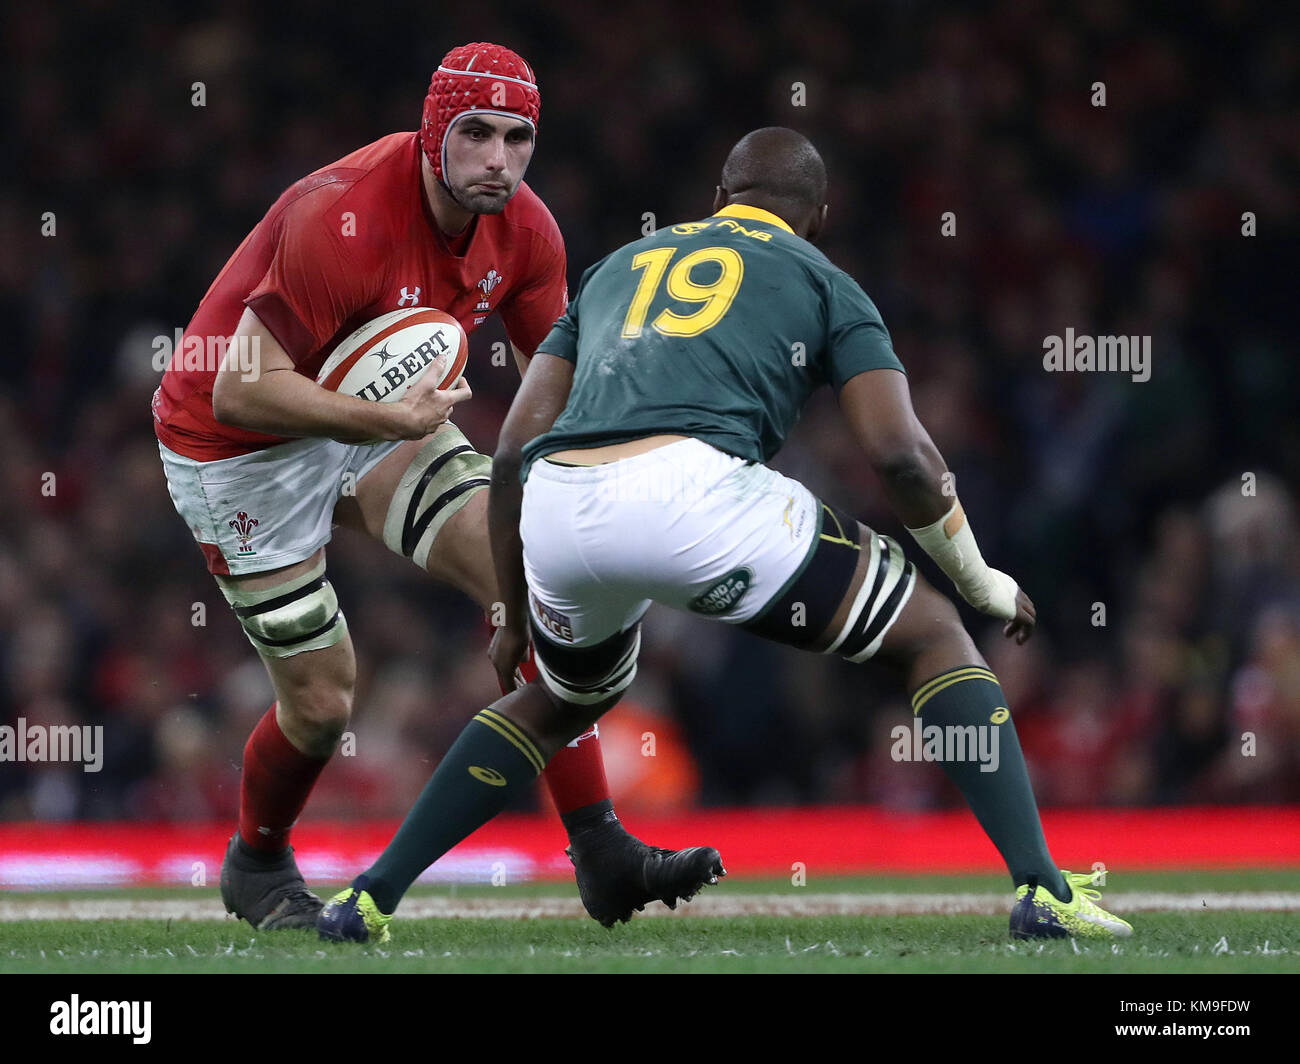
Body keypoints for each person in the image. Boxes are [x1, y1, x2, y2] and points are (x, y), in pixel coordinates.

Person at [319, 127, 1132, 943]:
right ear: (819, 216)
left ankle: (367, 899)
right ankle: (1041, 887)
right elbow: (902, 457)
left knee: (558, 701)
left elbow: (508, 451)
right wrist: (979, 576)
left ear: (718, 199)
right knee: (935, 638)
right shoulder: (825, 280)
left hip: (561, 506)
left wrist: (511, 605)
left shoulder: (616, 268)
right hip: (695, 496)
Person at [152, 42, 722, 932]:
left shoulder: (528, 232)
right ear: (433, 132)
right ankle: (256, 862)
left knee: (535, 581)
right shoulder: (339, 216)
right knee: (324, 701)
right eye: (477, 133)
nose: (499, 159)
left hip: (378, 408)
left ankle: (600, 847)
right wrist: (391, 422)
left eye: (518, 137)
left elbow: (559, 389)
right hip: (236, 447)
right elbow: (241, 385)